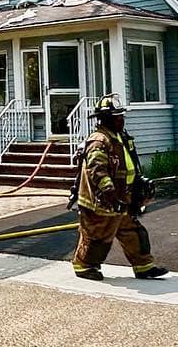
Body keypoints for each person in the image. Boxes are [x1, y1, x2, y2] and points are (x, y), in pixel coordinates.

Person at [72, 94, 168, 282]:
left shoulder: (119, 137)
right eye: (117, 117)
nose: (121, 120)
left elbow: (128, 163)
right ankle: (84, 266)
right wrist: (109, 194)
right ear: (107, 119)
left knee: (133, 232)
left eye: (121, 116)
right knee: (98, 237)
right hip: (100, 202)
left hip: (122, 198)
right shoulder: (99, 141)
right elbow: (97, 171)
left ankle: (144, 266)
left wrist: (138, 184)